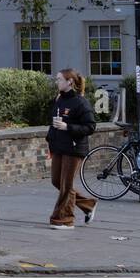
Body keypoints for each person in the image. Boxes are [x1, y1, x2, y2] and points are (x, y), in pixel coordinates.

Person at [47, 68, 97, 229]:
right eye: (57, 79)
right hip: (59, 147)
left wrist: (67, 127)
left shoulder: (81, 102)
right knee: (57, 181)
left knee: (66, 185)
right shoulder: (59, 99)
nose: (57, 82)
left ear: (69, 82)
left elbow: (90, 127)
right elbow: (53, 123)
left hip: (74, 149)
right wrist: (51, 140)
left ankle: (65, 219)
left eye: (59, 79)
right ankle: (88, 204)